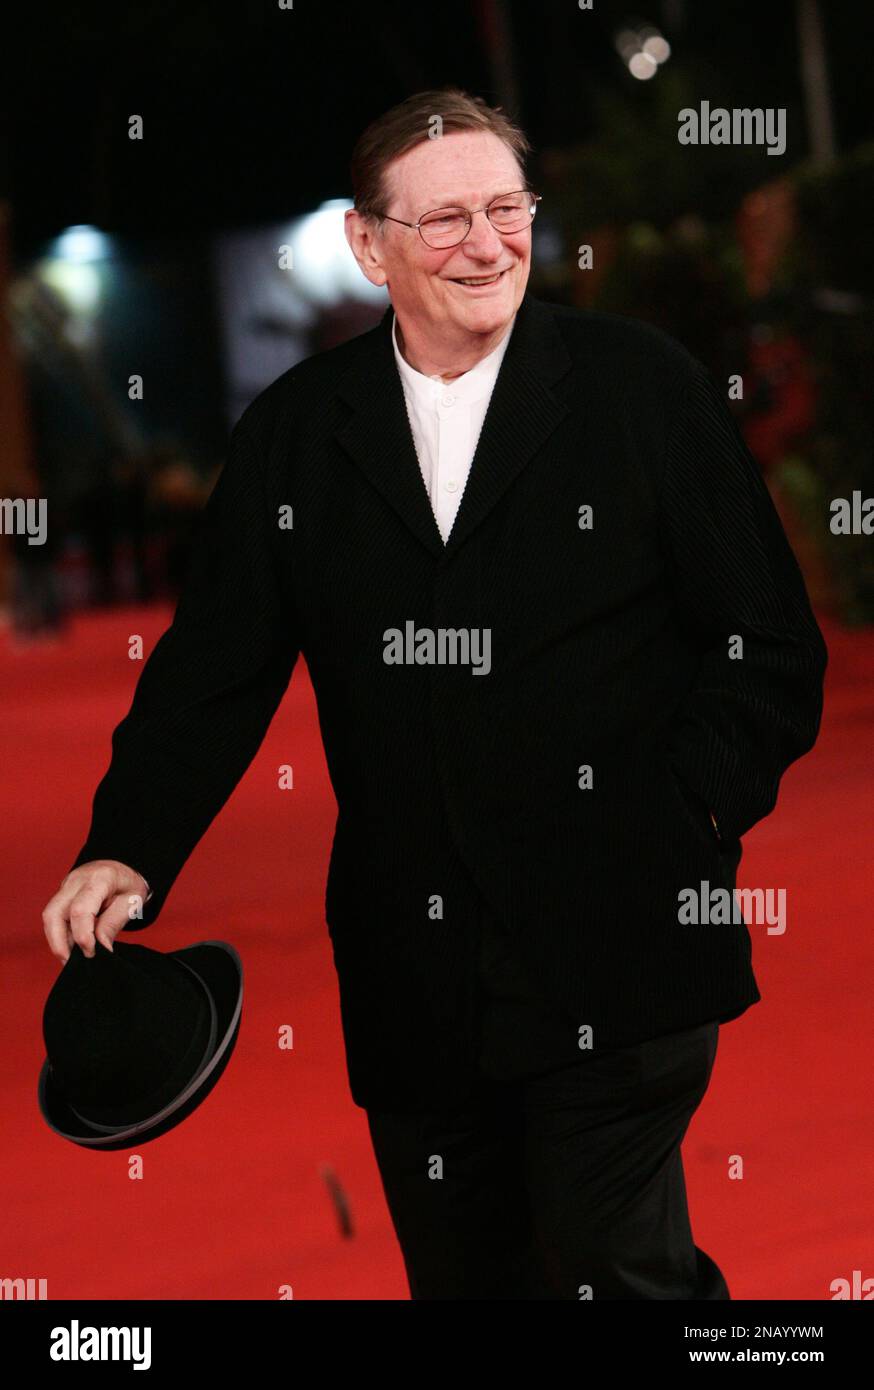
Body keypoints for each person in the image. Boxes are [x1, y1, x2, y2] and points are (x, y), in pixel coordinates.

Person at [42, 89, 827, 1300]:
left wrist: (681, 821)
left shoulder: (641, 390)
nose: (487, 244)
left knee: (615, 1272)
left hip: (619, 949)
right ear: (370, 246)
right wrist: (128, 846)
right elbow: (214, 669)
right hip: (415, 977)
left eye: (506, 208)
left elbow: (768, 647)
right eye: (447, 218)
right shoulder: (298, 433)